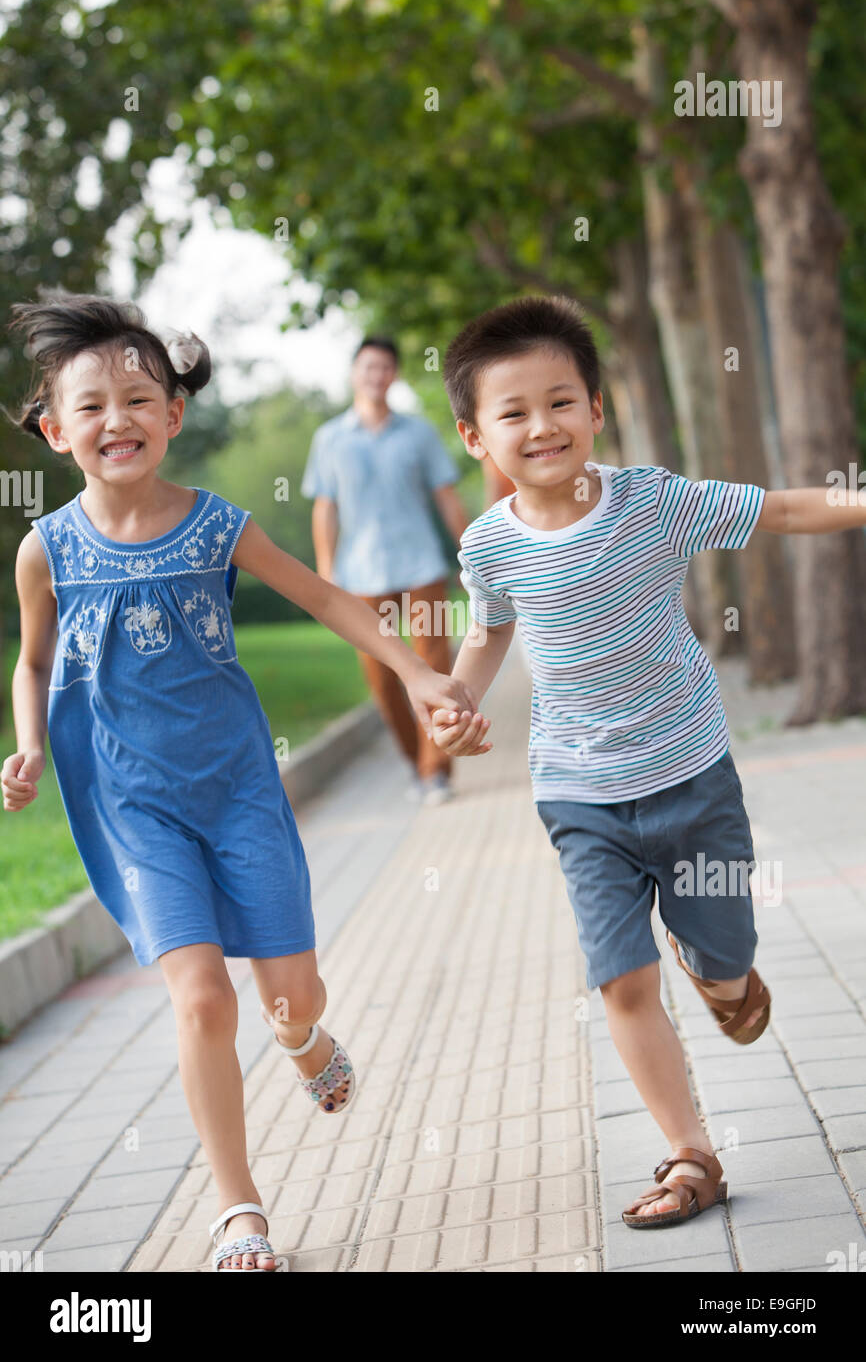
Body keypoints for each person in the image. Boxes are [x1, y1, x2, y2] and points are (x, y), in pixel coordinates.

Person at [0, 294, 476, 1272]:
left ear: (174, 415)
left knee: (290, 997)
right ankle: (239, 1208)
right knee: (203, 999)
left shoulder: (219, 526)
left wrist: (422, 672)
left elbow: (327, 596)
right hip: (132, 805)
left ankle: (302, 1043)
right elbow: (33, 663)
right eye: (89, 406)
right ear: (54, 431)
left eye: (139, 397)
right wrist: (30, 745)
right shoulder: (45, 549)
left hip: (240, 790)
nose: (116, 419)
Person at [430, 293, 866, 1228]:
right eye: (513, 413)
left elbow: (783, 508)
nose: (540, 426)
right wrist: (457, 700)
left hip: (691, 774)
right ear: (475, 436)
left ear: (597, 408)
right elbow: (490, 632)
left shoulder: (651, 500)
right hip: (580, 793)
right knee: (621, 980)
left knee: (727, 951)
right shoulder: (487, 545)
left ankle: (723, 976)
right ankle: (689, 1154)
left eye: (560, 401)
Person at [301, 335, 470, 805]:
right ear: (355, 373)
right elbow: (325, 508)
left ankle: (437, 770)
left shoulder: (418, 434)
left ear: (393, 376)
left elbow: (446, 499)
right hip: (361, 575)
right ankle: (416, 759)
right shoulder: (329, 438)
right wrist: (325, 568)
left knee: (435, 666)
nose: (376, 376)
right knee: (381, 676)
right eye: (368, 367)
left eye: (385, 368)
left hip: (421, 569)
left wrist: (468, 556)